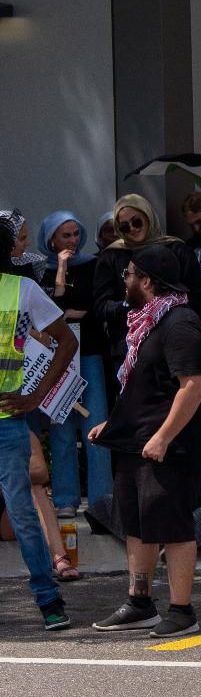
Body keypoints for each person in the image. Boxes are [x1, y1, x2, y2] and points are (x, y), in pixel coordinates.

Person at [88, 245, 201, 636]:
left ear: (147, 281)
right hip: (135, 442)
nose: (123, 281)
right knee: (135, 525)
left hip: (170, 447)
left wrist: (162, 437)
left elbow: (192, 387)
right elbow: (142, 388)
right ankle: (140, 603)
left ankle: (182, 610)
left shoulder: (180, 323)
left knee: (172, 526)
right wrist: (114, 424)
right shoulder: (145, 323)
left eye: (128, 274)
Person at [1, 210, 80, 631]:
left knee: (23, 511)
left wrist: (35, 395)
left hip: (7, 423)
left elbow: (65, 341)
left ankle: (48, 599)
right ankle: (49, 600)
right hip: (10, 423)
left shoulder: (23, 289)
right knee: (22, 511)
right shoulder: (23, 288)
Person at [36, 210, 112, 526]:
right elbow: (53, 308)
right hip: (58, 358)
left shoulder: (93, 266)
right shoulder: (41, 270)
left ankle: (101, 501)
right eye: (65, 235)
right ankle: (66, 498)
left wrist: (68, 312)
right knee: (61, 427)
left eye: (75, 234)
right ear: (51, 238)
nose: (72, 241)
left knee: (95, 425)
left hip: (90, 352)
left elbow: (91, 306)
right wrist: (62, 269)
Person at [94, 193, 201, 385]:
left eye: (136, 221)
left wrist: (163, 306)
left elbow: (197, 297)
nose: (132, 229)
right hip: (129, 347)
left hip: (173, 341)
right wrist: (132, 303)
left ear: (148, 216)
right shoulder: (111, 256)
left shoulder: (176, 249)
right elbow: (102, 307)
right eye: (124, 226)